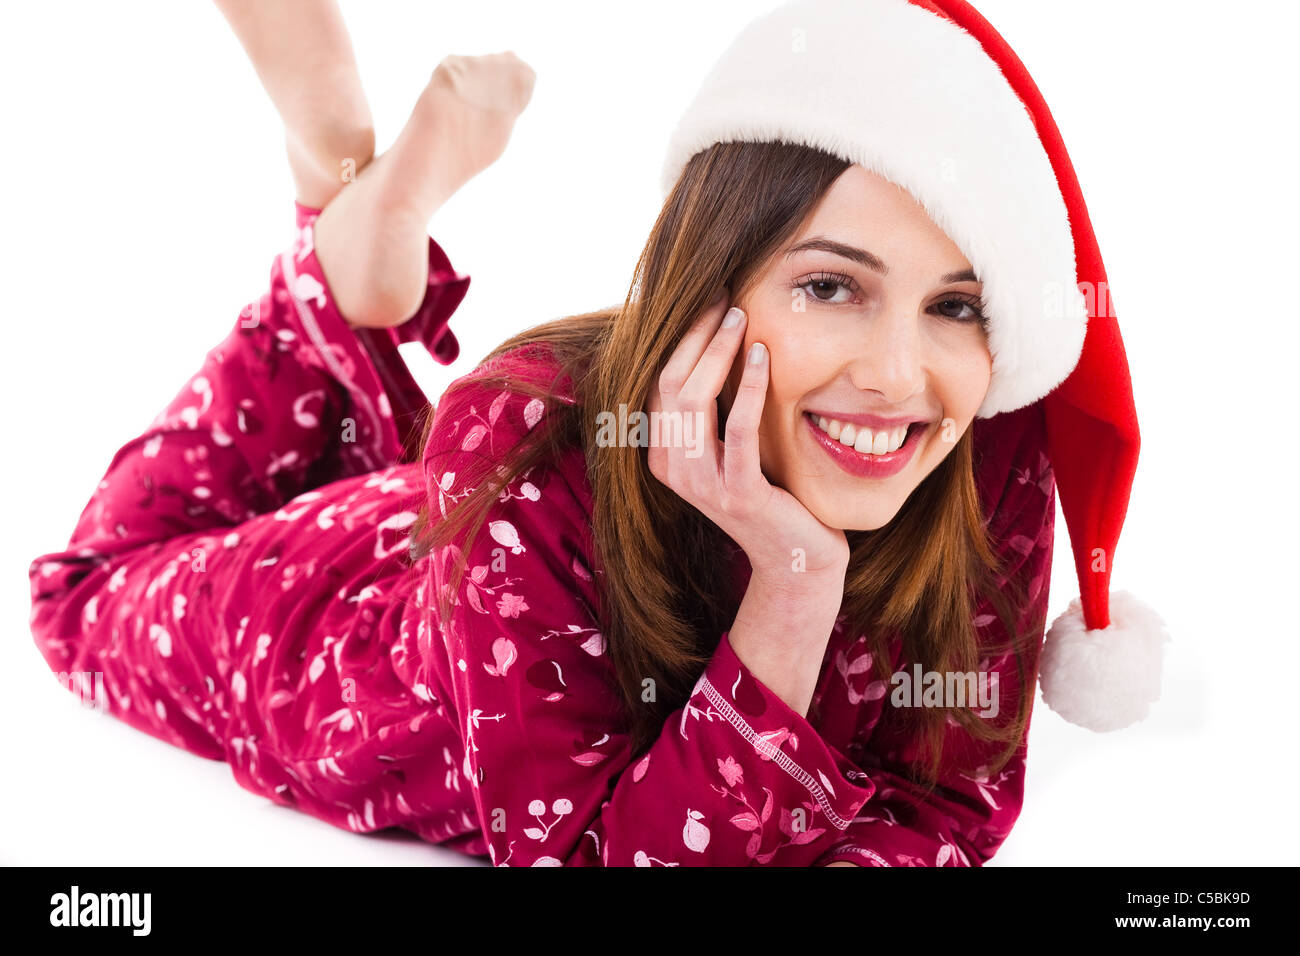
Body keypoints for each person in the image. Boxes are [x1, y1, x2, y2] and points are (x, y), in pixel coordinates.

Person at [27, 0, 1166, 867]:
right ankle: (329, 222)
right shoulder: (530, 438)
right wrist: (791, 590)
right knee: (82, 591)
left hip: (468, 540)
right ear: (710, 285)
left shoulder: (987, 440)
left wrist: (798, 590)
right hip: (345, 627)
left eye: (956, 305)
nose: (897, 376)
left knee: (383, 458)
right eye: (831, 287)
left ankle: (343, 230)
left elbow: (950, 809)